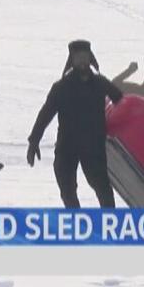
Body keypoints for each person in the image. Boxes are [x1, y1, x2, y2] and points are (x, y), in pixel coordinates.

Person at [28, 40, 123, 208]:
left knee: (102, 188)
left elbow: (121, 102)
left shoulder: (101, 83)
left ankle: (110, 225)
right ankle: (76, 223)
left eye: (85, 57)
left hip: (93, 146)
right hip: (67, 146)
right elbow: (46, 114)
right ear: (71, 60)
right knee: (67, 189)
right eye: (78, 57)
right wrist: (34, 141)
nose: (82, 61)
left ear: (90, 58)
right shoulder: (61, 87)